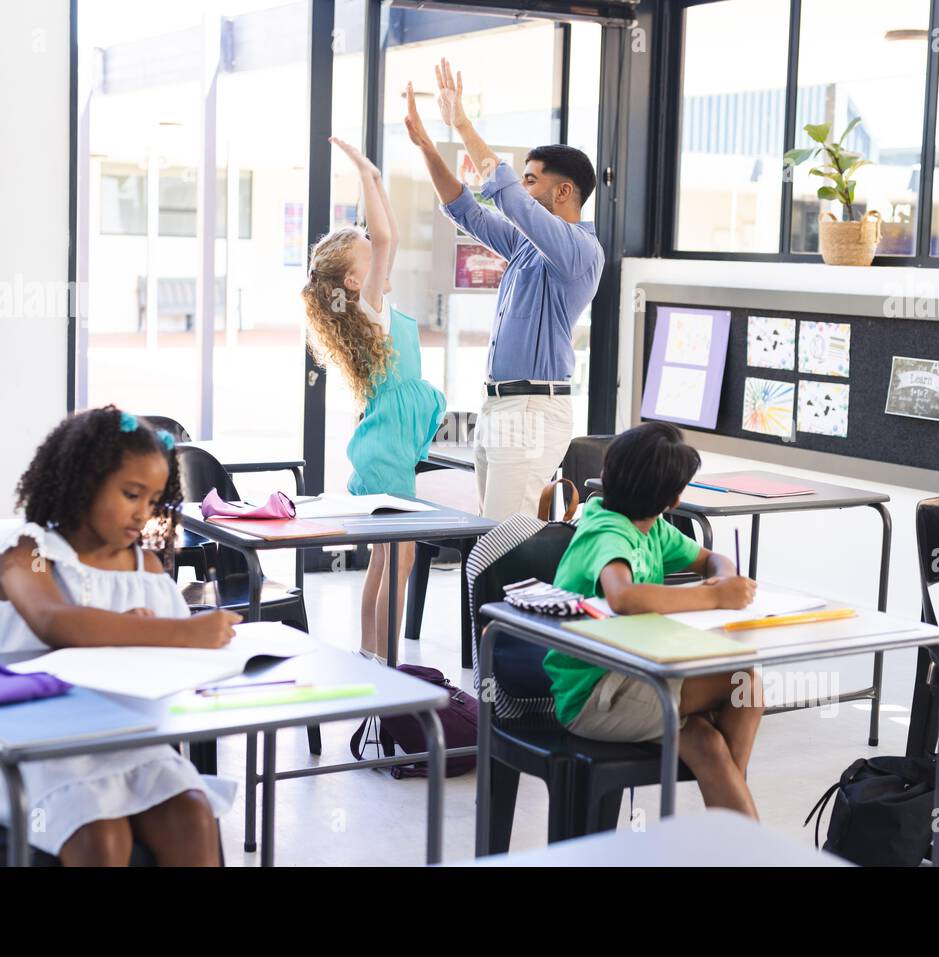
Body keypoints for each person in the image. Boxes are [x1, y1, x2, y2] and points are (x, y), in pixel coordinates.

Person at [0, 406, 241, 865]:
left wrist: (156, 640)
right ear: (84, 480)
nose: (143, 514)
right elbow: (54, 620)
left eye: (153, 501)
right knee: (101, 836)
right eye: (131, 494)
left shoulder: (145, 566)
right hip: (34, 750)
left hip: (125, 743)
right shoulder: (29, 551)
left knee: (194, 814)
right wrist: (162, 631)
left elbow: (170, 664)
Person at [405, 59, 603, 520]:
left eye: (532, 179)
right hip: (499, 406)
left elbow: (506, 195)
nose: (521, 187)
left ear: (564, 192)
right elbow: (466, 210)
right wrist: (429, 148)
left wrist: (462, 123)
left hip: (532, 410)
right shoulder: (526, 246)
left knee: (503, 546)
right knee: (492, 539)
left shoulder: (580, 251)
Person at [543, 422, 764, 817]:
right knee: (744, 685)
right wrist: (713, 595)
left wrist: (725, 576)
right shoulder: (606, 530)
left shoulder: (653, 529)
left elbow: (709, 559)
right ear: (675, 499)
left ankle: (731, 832)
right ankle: (736, 815)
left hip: (634, 675)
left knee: (709, 744)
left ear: (607, 475)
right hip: (593, 694)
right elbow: (623, 596)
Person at [302, 137, 446, 663]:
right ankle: (386, 664)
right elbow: (387, 235)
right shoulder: (370, 308)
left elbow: (386, 235)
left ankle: (370, 655)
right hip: (385, 454)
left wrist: (377, 182)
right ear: (356, 279)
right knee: (398, 562)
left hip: (382, 449)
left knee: (385, 563)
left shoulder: (366, 311)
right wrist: (366, 172)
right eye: (369, 253)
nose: (381, 251)